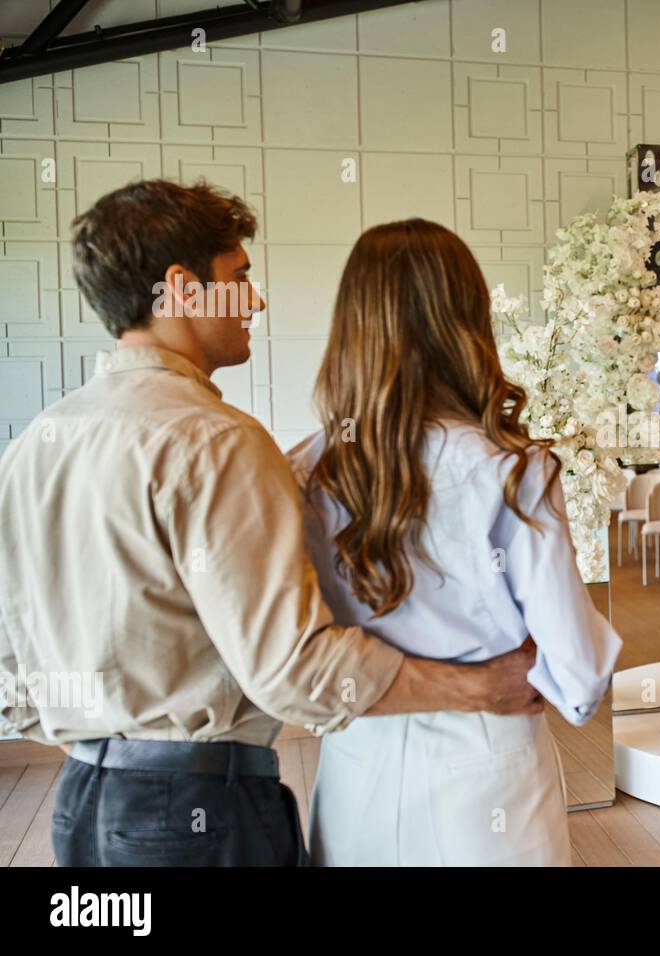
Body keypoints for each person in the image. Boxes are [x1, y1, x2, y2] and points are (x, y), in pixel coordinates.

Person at [0, 180, 541, 867]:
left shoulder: (35, 446)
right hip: (197, 812)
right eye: (240, 278)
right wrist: (477, 688)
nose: (255, 301)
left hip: (80, 806)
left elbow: (11, 684)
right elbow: (293, 670)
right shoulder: (215, 441)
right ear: (182, 288)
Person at [289, 219, 623, 866]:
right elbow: (578, 676)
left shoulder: (305, 471)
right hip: (489, 774)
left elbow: (300, 653)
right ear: (467, 320)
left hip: (358, 770)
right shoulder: (513, 470)